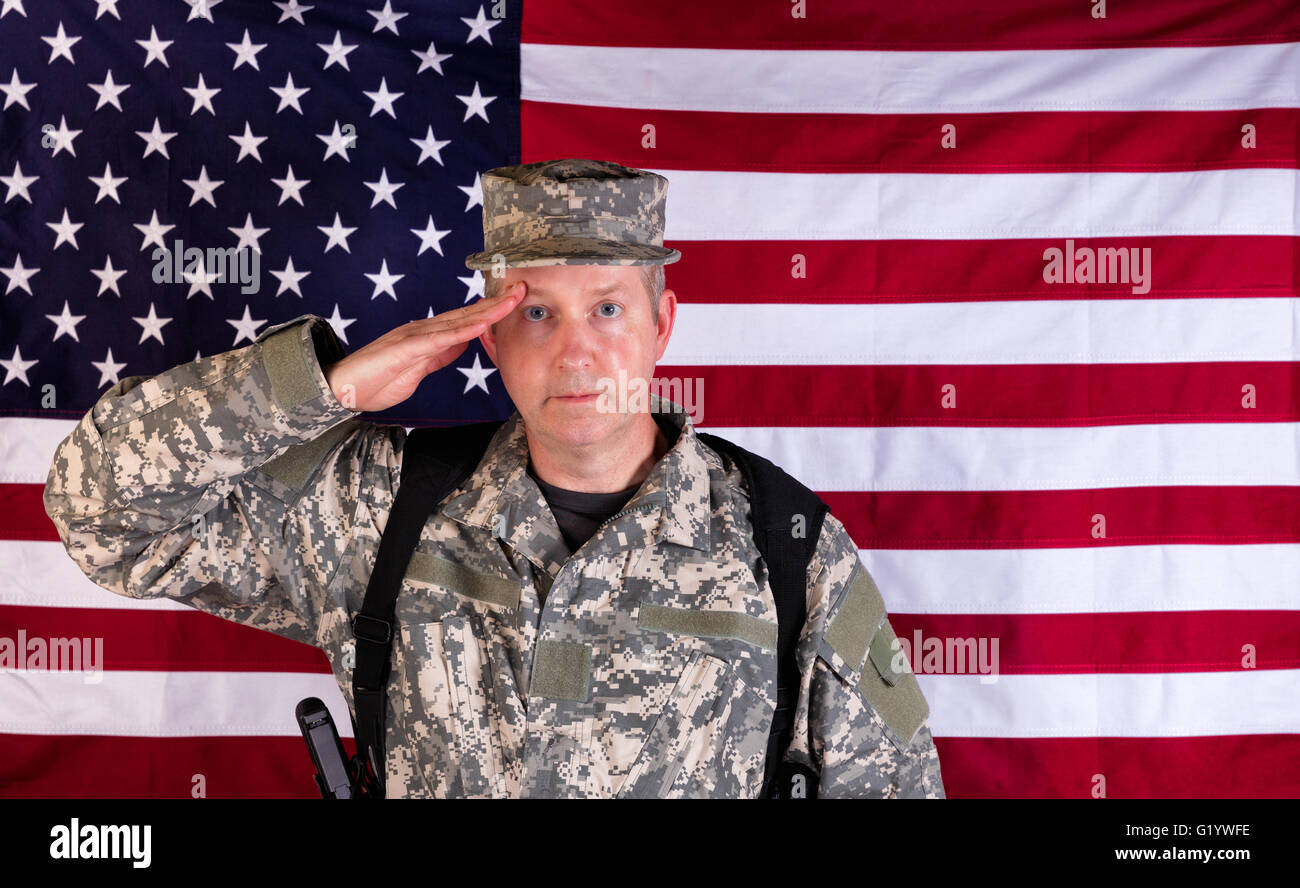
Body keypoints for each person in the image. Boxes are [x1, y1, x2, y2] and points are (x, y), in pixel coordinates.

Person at [43, 157, 945, 798]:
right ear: (490, 335)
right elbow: (101, 510)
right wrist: (330, 385)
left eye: (607, 309)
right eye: (538, 313)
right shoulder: (384, 512)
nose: (577, 351)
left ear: (663, 325)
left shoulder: (784, 546)